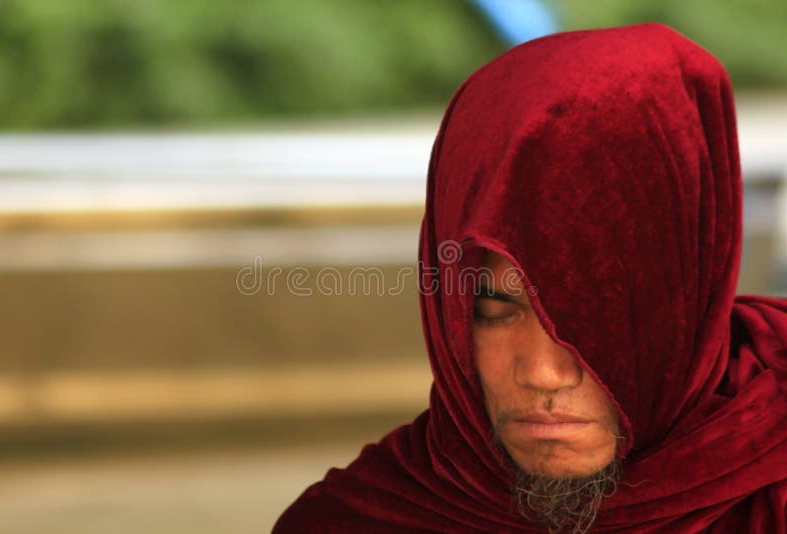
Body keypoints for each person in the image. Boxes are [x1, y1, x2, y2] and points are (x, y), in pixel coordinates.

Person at [274, 22, 787, 532]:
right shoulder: (356, 520)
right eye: (494, 311)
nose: (542, 372)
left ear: (691, 287)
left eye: (595, 315)